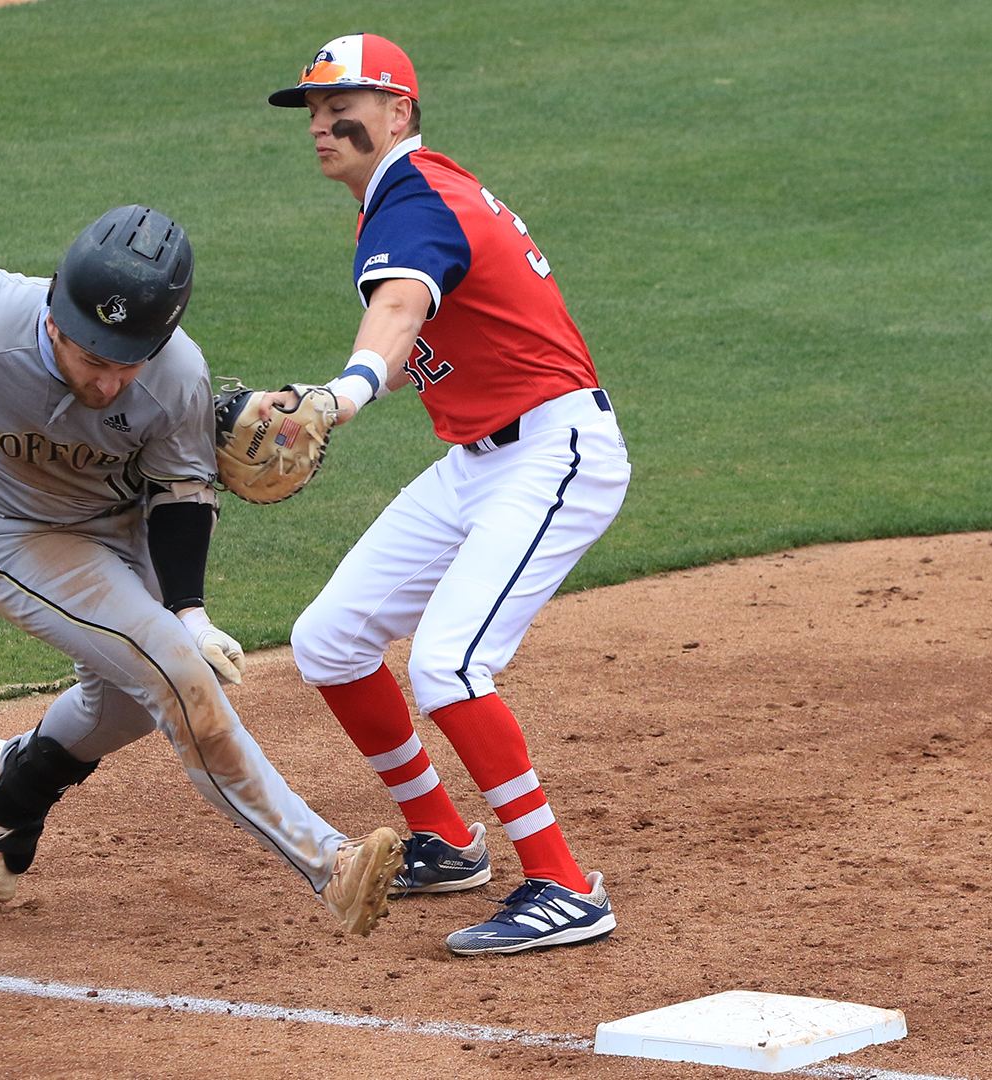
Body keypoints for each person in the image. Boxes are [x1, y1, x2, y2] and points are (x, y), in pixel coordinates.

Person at [0, 205, 403, 935]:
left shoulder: (176, 374)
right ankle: (331, 865)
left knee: (131, 699)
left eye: (127, 363)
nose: (108, 383)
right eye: (92, 359)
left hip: (121, 537)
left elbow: (179, 492)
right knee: (175, 677)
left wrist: (191, 612)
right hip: (15, 537)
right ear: (53, 320)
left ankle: (14, 787)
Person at [265, 36, 632, 955]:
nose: (322, 124)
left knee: (449, 665)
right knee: (329, 639)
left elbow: (393, 318)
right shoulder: (401, 198)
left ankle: (560, 884)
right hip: (481, 461)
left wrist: (340, 396)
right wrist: (323, 390)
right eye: (312, 109)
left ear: (400, 111)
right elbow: (423, 336)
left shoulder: (414, 191)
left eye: (342, 104)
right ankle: (446, 837)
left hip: (555, 452)